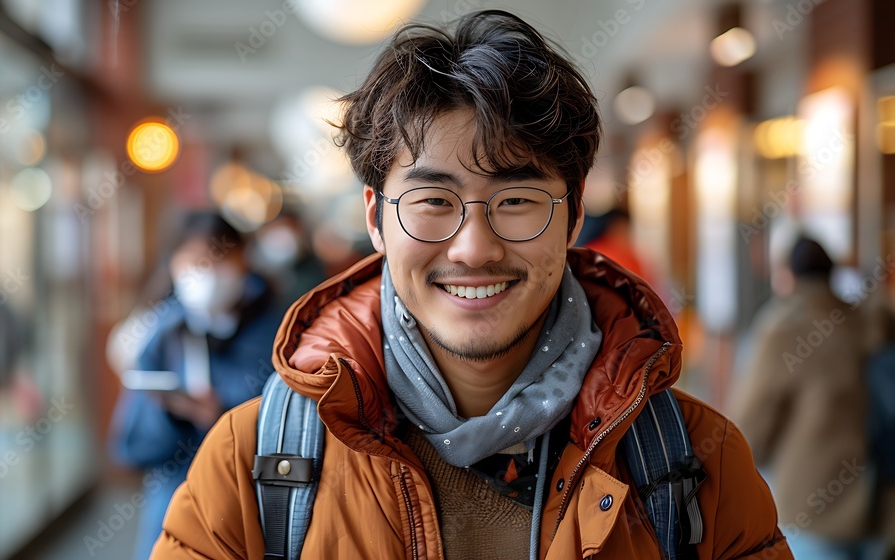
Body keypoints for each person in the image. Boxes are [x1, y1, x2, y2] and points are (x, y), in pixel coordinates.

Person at [151, 11, 790, 559]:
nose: (474, 247)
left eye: (515, 200)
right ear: (376, 219)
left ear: (572, 214)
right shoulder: (252, 463)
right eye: (432, 200)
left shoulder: (693, 463)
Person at [108, 211, 279, 560]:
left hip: (258, 504)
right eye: (193, 262)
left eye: (216, 259)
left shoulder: (279, 327)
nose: (205, 273)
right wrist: (174, 412)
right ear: (173, 266)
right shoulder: (161, 333)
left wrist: (223, 413)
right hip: (174, 504)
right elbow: (130, 446)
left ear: (242, 257)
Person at [730, 237, 886, 560]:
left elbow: (750, 429)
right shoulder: (870, 322)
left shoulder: (784, 329)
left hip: (814, 504)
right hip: (879, 505)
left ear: (788, 276)